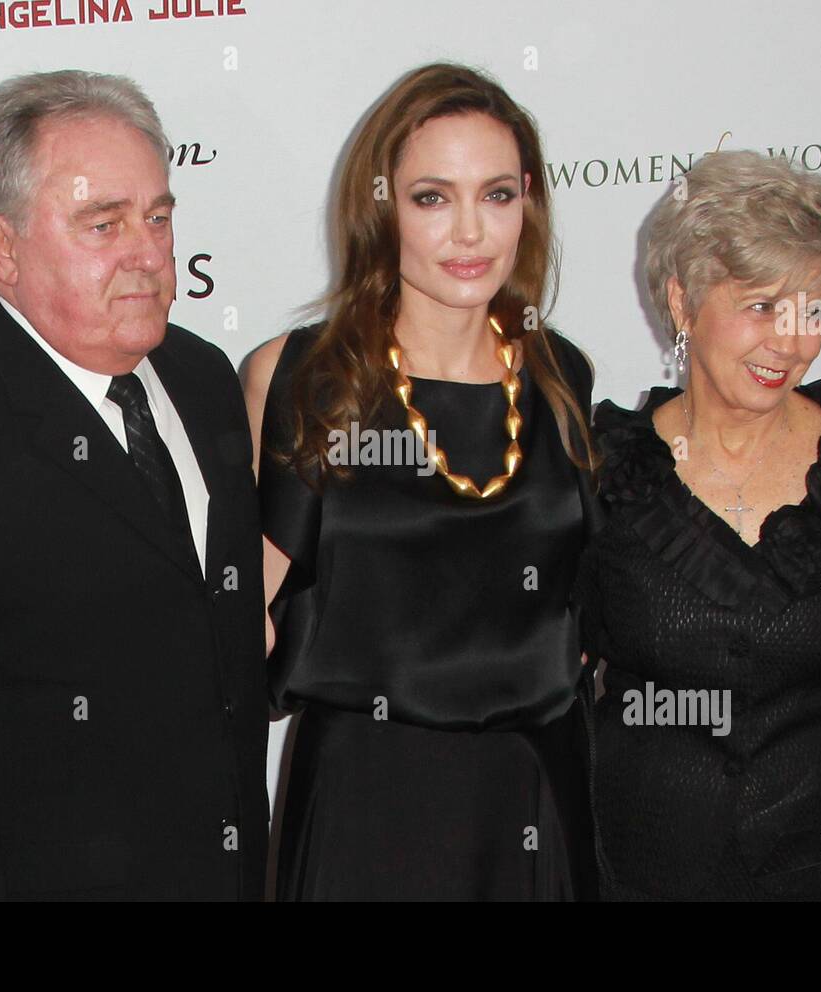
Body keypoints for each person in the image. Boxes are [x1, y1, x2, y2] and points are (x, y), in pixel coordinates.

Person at [0, 70, 268, 900]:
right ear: (2, 247)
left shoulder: (204, 379)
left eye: (159, 216)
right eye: (103, 224)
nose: (147, 253)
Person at [243, 62, 600, 900]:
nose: (471, 233)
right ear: (380, 207)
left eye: (499, 195)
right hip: (369, 802)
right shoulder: (303, 378)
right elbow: (245, 619)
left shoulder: (559, 377)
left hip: (537, 792)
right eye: (433, 198)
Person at [574, 149, 821, 900]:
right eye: (761, 307)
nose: (791, 343)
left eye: (812, 310)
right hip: (636, 873)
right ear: (682, 303)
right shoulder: (602, 472)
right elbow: (547, 674)